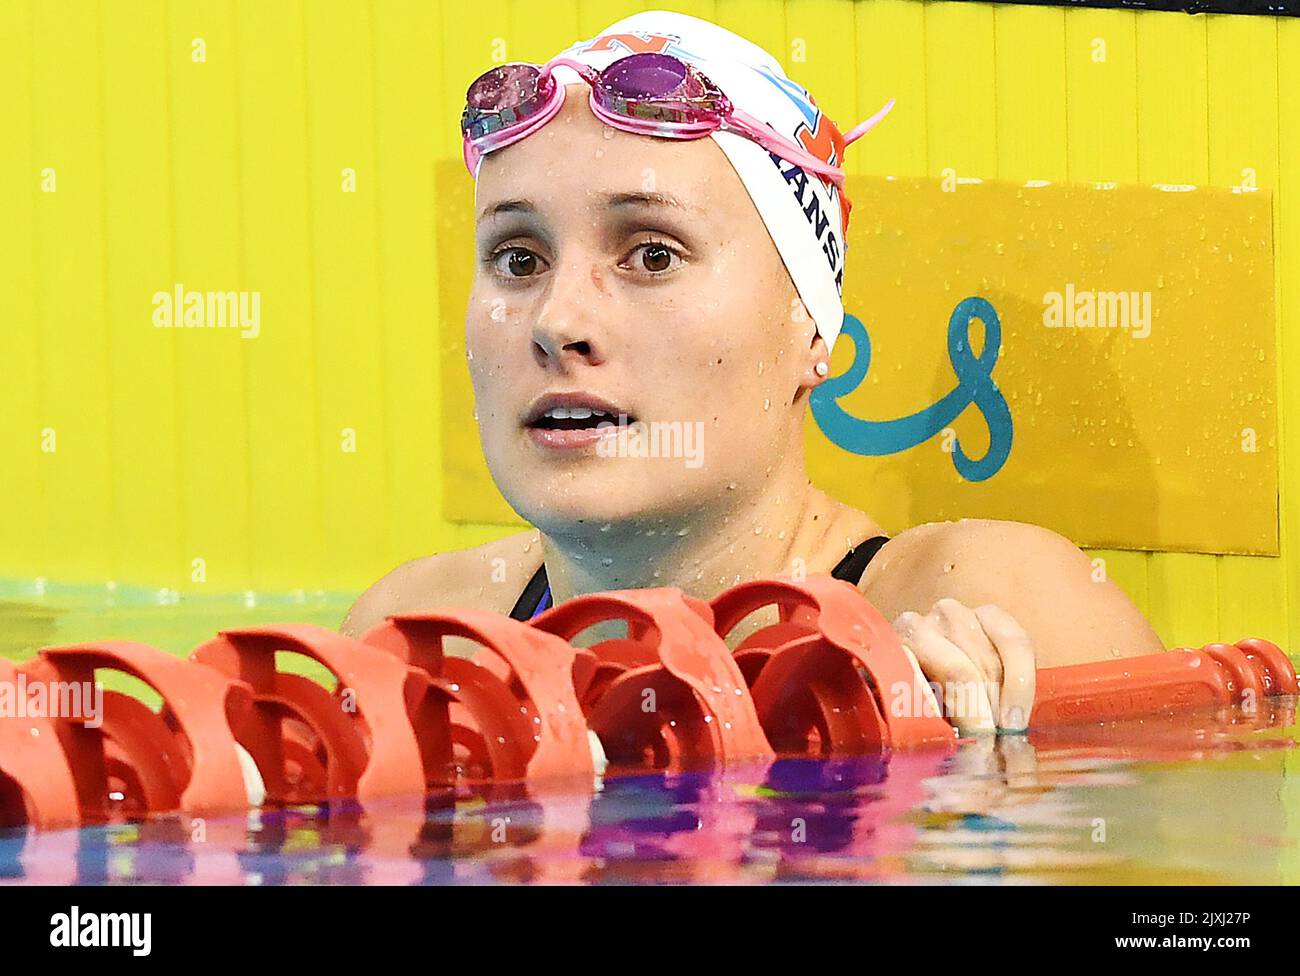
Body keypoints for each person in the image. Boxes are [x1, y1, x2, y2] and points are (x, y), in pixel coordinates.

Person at [343, 10, 1164, 734]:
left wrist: (975, 807)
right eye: (517, 259)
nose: (559, 322)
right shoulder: (417, 641)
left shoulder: (997, 608)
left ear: (810, 324)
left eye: (652, 255)